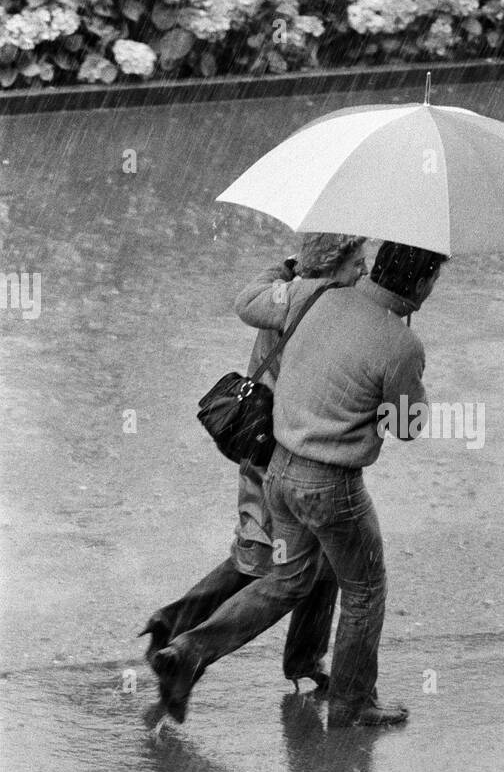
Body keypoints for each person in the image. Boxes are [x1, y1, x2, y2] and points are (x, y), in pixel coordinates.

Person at [151, 241, 447, 727]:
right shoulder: (401, 344)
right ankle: (353, 704)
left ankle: (187, 649)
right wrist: (408, 373)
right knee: (364, 589)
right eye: (434, 277)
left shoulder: (316, 296)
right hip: (333, 488)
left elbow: (257, 304)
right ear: (421, 280)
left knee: (286, 581)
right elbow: (406, 427)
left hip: (280, 473)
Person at [141, 232, 368, 698]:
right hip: (285, 449)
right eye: (357, 261)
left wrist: (290, 266)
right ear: (336, 263)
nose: (363, 270)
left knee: (269, 555)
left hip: (261, 441)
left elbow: (246, 300)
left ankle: (178, 628)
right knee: (274, 564)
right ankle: (187, 644)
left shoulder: (283, 295)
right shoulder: (328, 309)